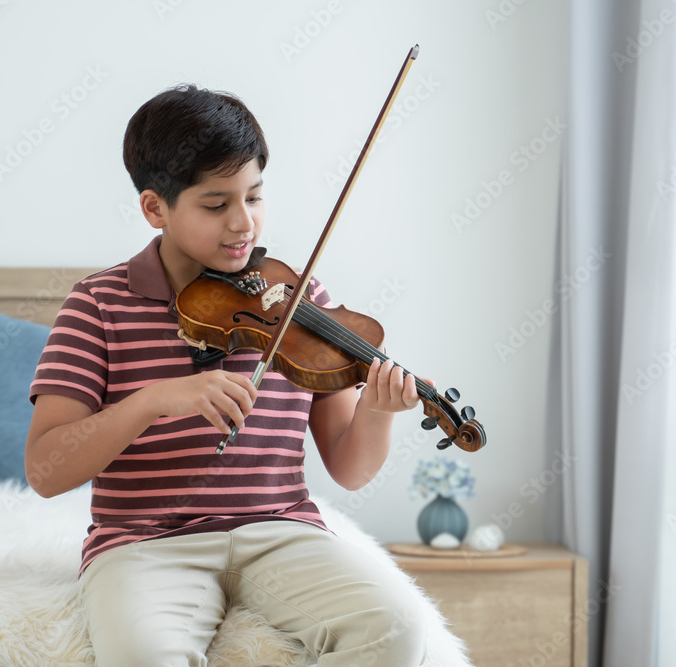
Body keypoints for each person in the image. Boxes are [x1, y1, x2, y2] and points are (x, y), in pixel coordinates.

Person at [25, 84, 428, 667]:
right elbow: (44, 470)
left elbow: (349, 467)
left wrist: (376, 412)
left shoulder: (298, 296)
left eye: (256, 197)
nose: (245, 224)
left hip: (281, 531)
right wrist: (154, 401)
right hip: (145, 543)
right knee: (142, 655)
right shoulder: (97, 304)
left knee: (397, 627)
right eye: (216, 205)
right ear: (155, 208)